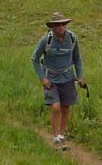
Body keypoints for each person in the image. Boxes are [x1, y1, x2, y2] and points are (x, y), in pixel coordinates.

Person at [31, 12, 85, 150]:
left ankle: (62, 136)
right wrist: (43, 78)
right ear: (52, 27)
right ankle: (55, 138)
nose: (61, 27)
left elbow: (77, 58)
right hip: (51, 79)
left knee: (65, 107)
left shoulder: (72, 38)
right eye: (57, 25)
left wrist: (80, 76)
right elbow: (35, 59)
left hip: (67, 77)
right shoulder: (46, 40)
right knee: (55, 107)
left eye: (63, 24)